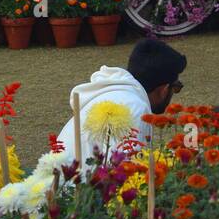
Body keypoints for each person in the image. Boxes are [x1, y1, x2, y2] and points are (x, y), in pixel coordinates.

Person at [56, 38, 188, 161]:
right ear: (164, 89)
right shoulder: (135, 107)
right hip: (72, 185)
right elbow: (121, 174)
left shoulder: (112, 94)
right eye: (176, 88)